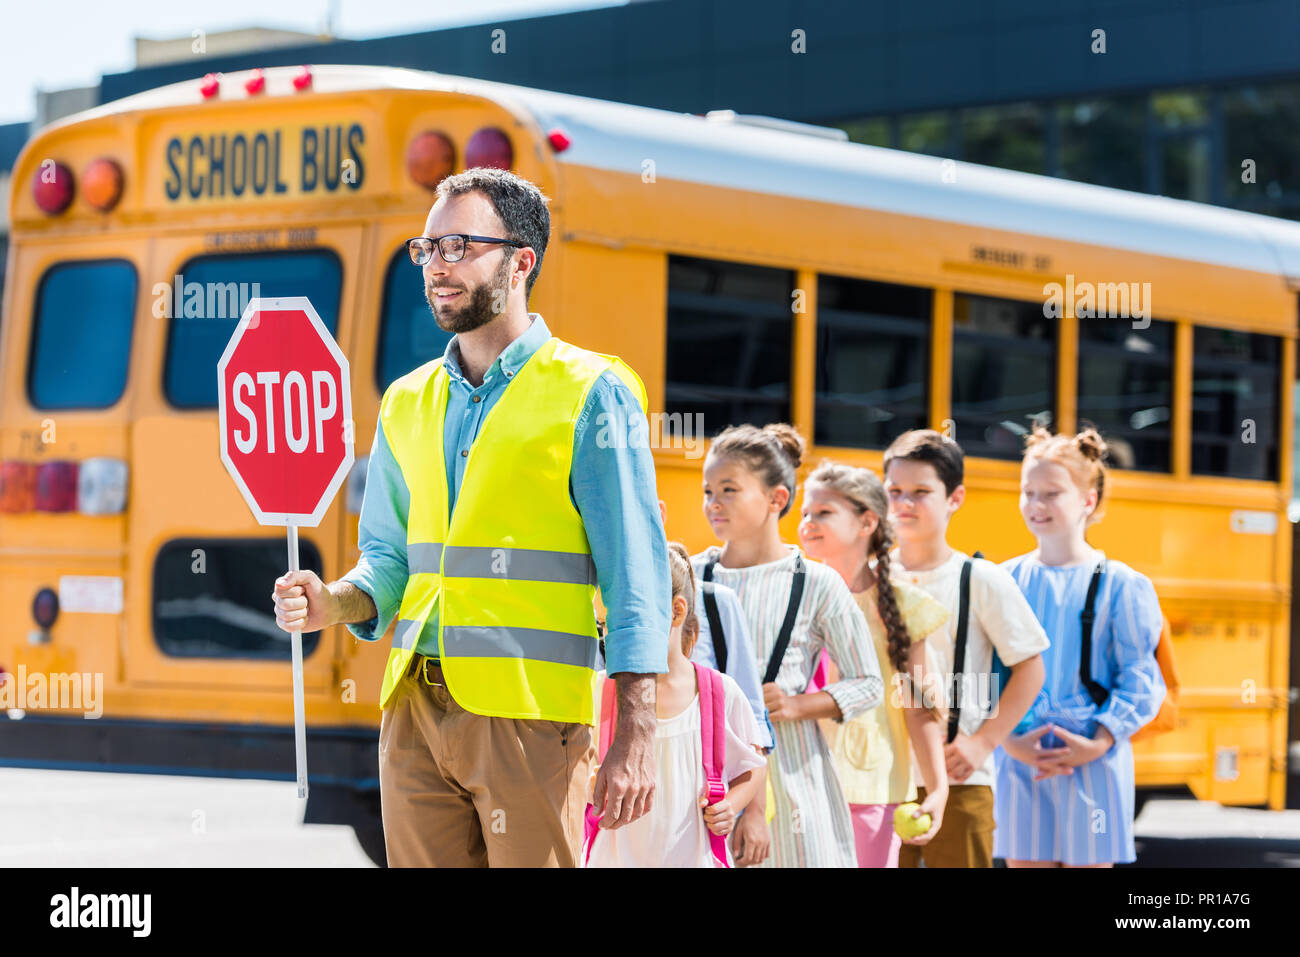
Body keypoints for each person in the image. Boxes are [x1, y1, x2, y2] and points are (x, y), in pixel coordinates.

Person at [271, 168, 669, 867]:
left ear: (522, 261)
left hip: (530, 714)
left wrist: (637, 729)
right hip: (415, 707)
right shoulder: (405, 400)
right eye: (426, 249)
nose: (436, 267)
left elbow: (636, 570)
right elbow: (389, 559)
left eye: (458, 245)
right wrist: (331, 600)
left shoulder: (592, 392)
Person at [692, 422, 884, 868]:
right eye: (707, 491)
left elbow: (869, 683)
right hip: (705, 778)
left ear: (777, 499)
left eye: (728, 489)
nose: (713, 503)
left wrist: (796, 705)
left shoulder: (816, 582)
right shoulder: (691, 575)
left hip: (793, 776)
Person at [996, 427, 1165, 868]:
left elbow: (1141, 677)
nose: (1035, 504)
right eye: (1027, 492)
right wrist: (1010, 741)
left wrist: (1100, 739)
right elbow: (981, 671)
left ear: (1088, 501)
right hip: (1019, 756)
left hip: (1094, 755)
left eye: (1051, 493)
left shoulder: (1123, 584)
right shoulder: (1002, 582)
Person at [883, 429, 1048, 868]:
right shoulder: (868, 577)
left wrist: (982, 743)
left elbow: (1031, 669)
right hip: (880, 778)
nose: (904, 503)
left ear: (955, 498)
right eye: (894, 491)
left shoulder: (980, 578)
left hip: (961, 779)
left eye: (921, 492)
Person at [797, 461, 950, 867]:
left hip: (871, 785)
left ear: (867, 522)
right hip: (798, 780)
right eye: (804, 513)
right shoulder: (791, 594)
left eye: (824, 513)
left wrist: (937, 787)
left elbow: (919, 706)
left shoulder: (904, 606)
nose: (808, 522)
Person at [586, 543, 767, 867]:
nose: (615, 629)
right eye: (613, 615)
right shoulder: (601, 689)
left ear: (676, 611)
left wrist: (730, 805)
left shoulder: (720, 691)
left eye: (631, 615)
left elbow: (754, 766)